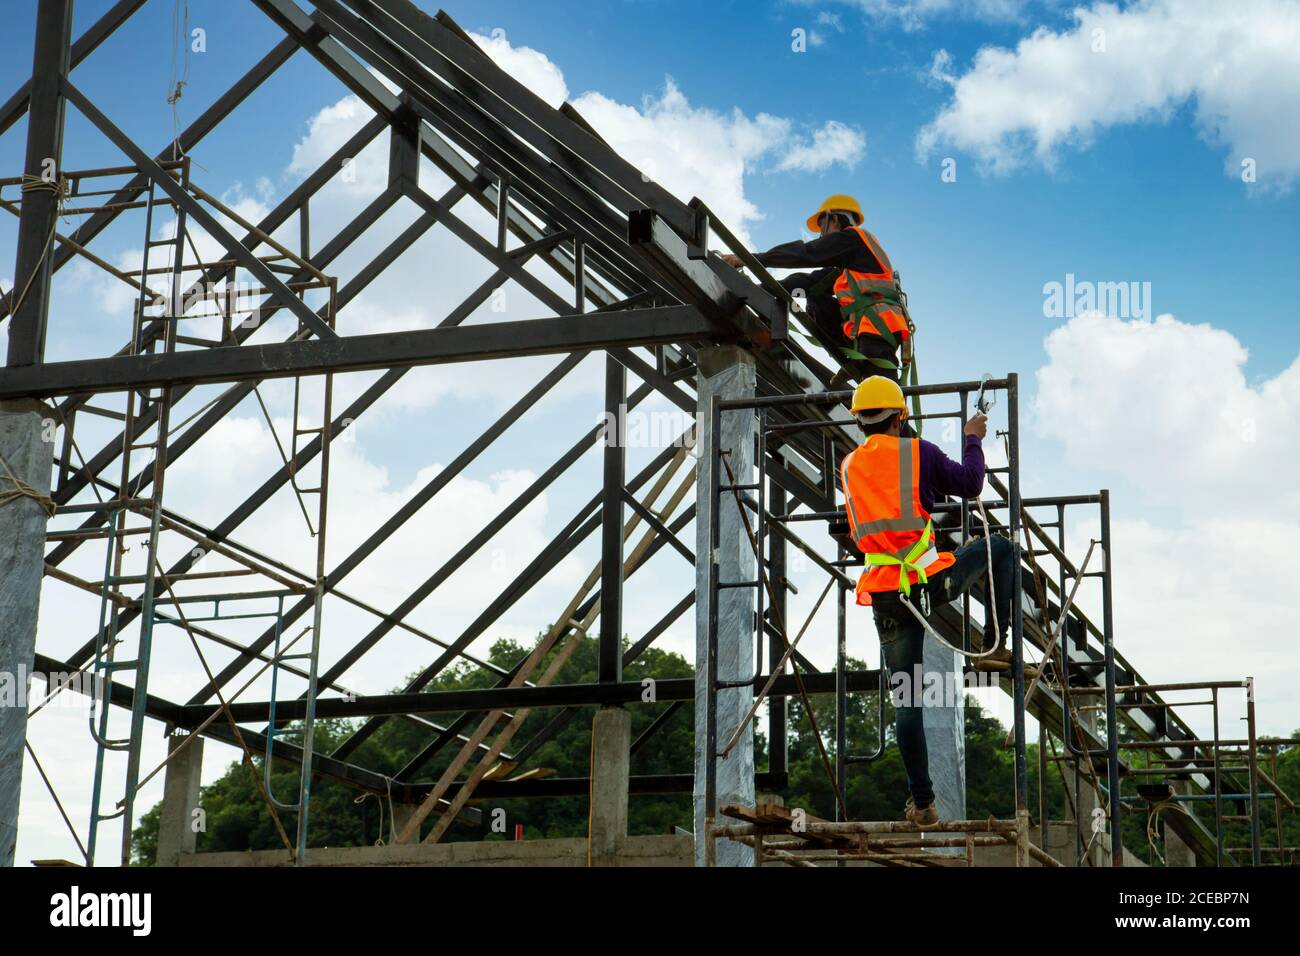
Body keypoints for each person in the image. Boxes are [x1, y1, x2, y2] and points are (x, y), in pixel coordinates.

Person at [839, 376, 1015, 827]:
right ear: (901, 416)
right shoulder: (919, 452)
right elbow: (971, 484)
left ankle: (923, 804)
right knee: (1001, 548)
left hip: (885, 595)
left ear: (859, 421)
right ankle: (996, 644)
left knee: (908, 702)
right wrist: (973, 439)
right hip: (925, 583)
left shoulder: (849, 466)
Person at [720, 194, 913, 383]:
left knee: (881, 389)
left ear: (834, 219)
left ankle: (892, 411)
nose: (821, 234)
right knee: (816, 297)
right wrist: (753, 292)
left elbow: (806, 252)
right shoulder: (849, 265)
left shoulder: (854, 238)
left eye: (822, 226)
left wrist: (749, 258)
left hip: (877, 327)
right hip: (866, 330)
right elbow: (805, 282)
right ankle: (850, 360)